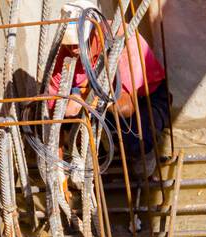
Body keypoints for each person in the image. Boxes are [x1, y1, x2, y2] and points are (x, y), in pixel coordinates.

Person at [47, 0, 170, 174]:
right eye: (70, 44)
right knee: (66, 111)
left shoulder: (122, 39)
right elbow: (53, 108)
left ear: (94, 33)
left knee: (136, 139)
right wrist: (58, 168)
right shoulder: (67, 49)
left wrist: (86, 97)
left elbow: (127, 108)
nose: (74, 49)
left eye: (78, 44)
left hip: (144, 99)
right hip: (99, 99)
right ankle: (94, 154)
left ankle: (146, 147)